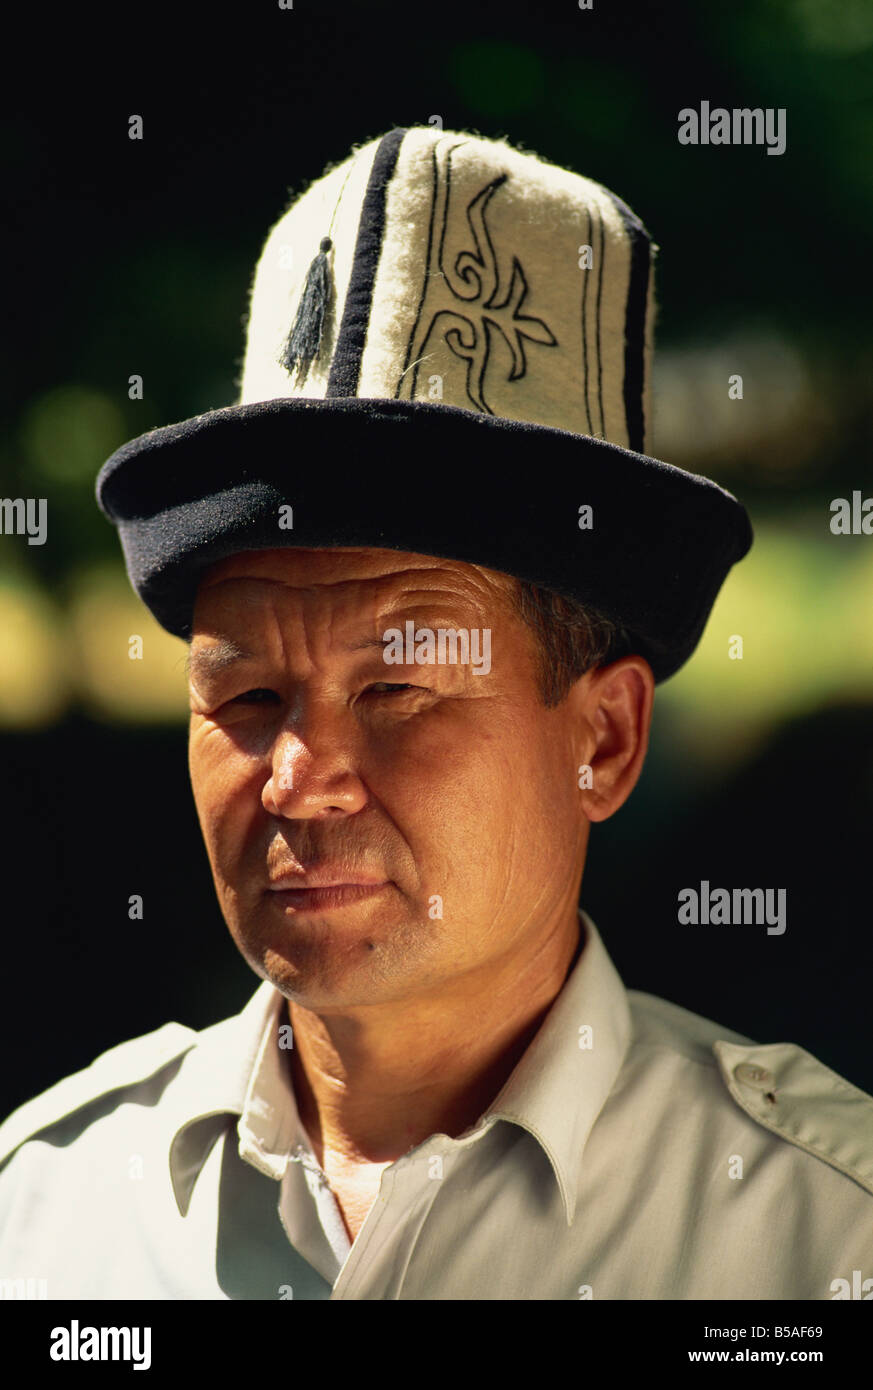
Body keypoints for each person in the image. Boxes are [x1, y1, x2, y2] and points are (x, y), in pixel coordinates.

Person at [1, 126, 870, 1301]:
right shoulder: (49, 1213)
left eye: (399, 687)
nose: (298, 779)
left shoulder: (814, 1239)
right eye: (247, 696)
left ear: (604, 740)